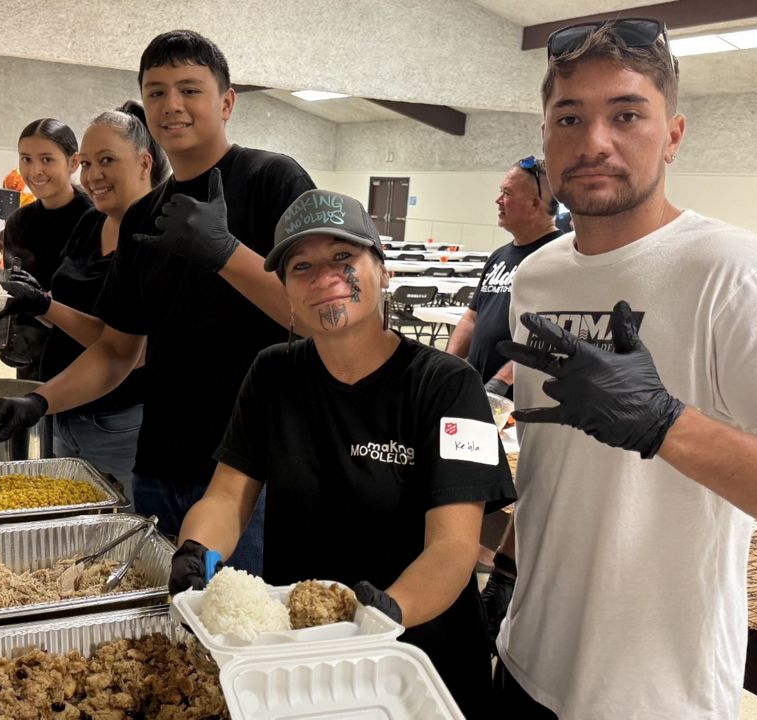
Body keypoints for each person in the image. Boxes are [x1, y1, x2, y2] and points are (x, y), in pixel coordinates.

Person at [490, 19, 757, 719]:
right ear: (546, 138)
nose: (594, 141)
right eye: (570, 118)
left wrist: (666, 425)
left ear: (673, 135)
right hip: (526, 660)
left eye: (626, 115)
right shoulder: (537, 276)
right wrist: (507, 572)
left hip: (654, 694)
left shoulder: (737, 272)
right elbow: (556, 462)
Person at [169, 189, 516, 718]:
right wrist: (196, 550)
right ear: (287, 291)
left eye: (343, 256)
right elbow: (227, 498)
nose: (324, 276)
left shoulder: (447, 385)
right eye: (301, 266)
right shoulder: (273, 374)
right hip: (305, 654)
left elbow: (453, 547)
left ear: (383, 271)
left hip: (416, 658)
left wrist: (384, 612)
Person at [0, 30, 315, 574]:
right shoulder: (142, 216)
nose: (171, 105)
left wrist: (225, 252)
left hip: (254, 477)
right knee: (163, 620)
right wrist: (41, 401)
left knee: (237, 622)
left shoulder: (271, 180)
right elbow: (118, 350)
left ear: (227, 102)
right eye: (156, 92)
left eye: (190, 89)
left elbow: (322, 320)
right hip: (161, 466)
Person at [0, 105, 167, 485]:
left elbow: (128, 351)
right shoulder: (92, 221)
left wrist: (44, 305)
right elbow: (66, 306)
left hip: (121, 423)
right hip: (64, 411)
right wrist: (23, 304)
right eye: (88, 164)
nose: (92, 176)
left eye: (107, 160)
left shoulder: (156, 238)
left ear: (145, 164)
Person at [446, 156, 560, 399]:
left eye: (507, 193)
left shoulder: (561, 258)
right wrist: (447, 363)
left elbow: (552, 335)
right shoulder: (499, 256)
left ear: (534, 204)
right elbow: (472, 318)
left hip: (519, 396)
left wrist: (502, 380)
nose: (498, 200)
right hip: (479, 388)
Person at [0, 119, 94, 378]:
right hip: (30, 361)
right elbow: (15, 292)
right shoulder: (17, 222)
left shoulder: (94, 220)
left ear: (73, 163)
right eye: (26, 159)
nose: (35, 170)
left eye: (47, 159)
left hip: (82, 361)